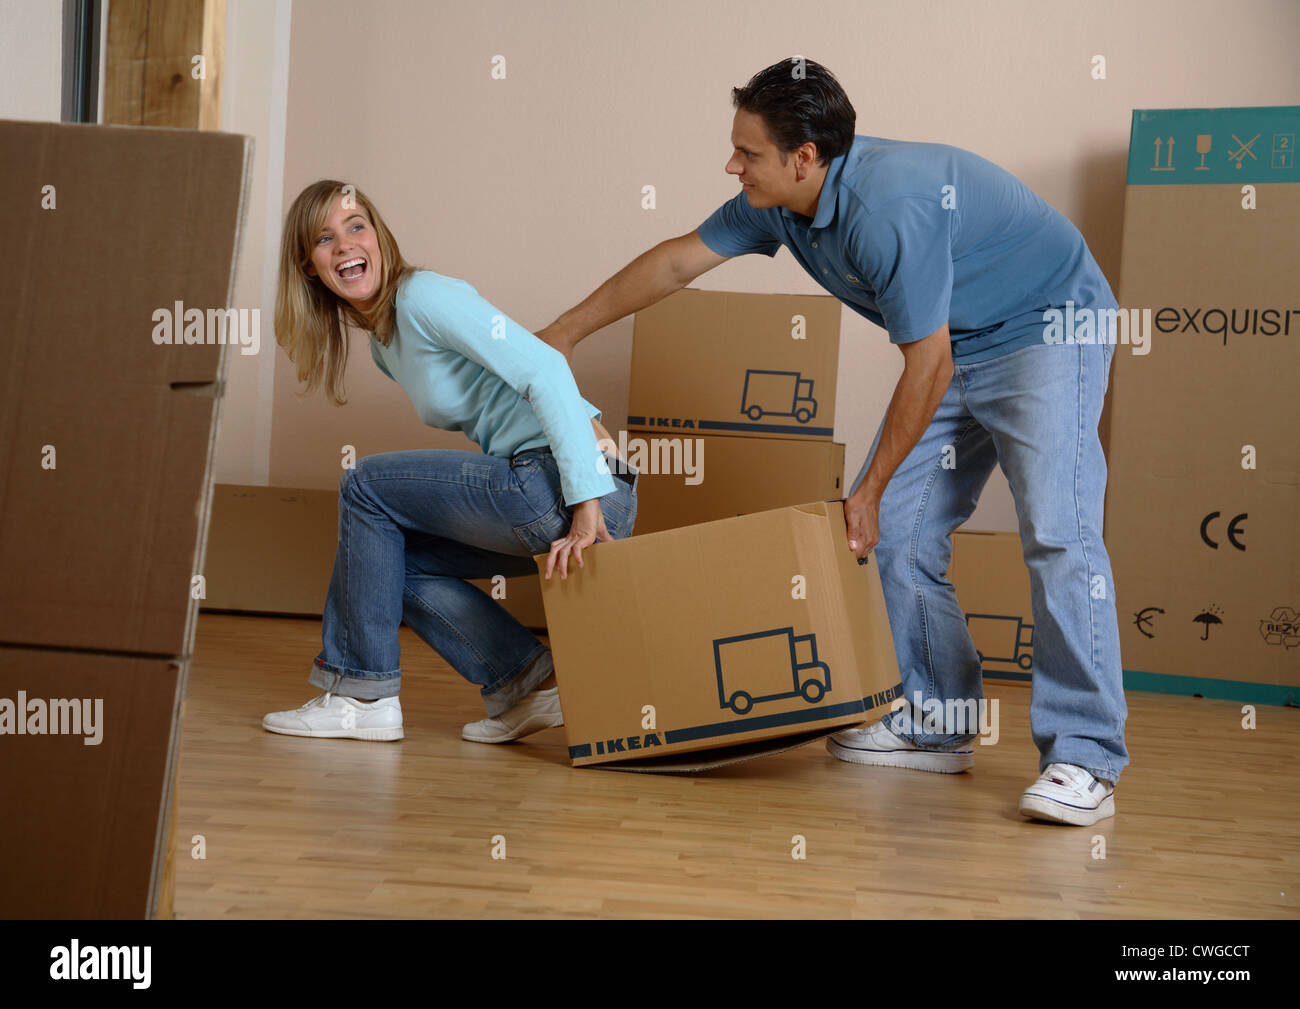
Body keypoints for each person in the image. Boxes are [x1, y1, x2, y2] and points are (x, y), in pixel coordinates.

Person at [535, 59, 1126, 826]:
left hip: (1048, 329)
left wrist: (869, 486)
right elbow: (680, 258)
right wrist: (561, 335)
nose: (732, 165)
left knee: (1058, 534)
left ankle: (1084, 756)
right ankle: (933, 723)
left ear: (804, 155)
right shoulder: (779, 201)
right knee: (891, 540)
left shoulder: (890, 207)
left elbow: (928, 360)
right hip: (956, 340)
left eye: (747, 152)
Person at [262, 180, 637, 744]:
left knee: (363, 486)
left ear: (379, 237)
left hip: (570, 484)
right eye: (324, 238)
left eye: (355, 226)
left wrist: (586, 504)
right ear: (310, 266)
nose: (344, 245)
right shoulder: (386, 343)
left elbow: (547, 369)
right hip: (548, 485)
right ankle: (528, 686)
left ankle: (361, 695)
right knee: (391, 562)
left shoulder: (422, 297)